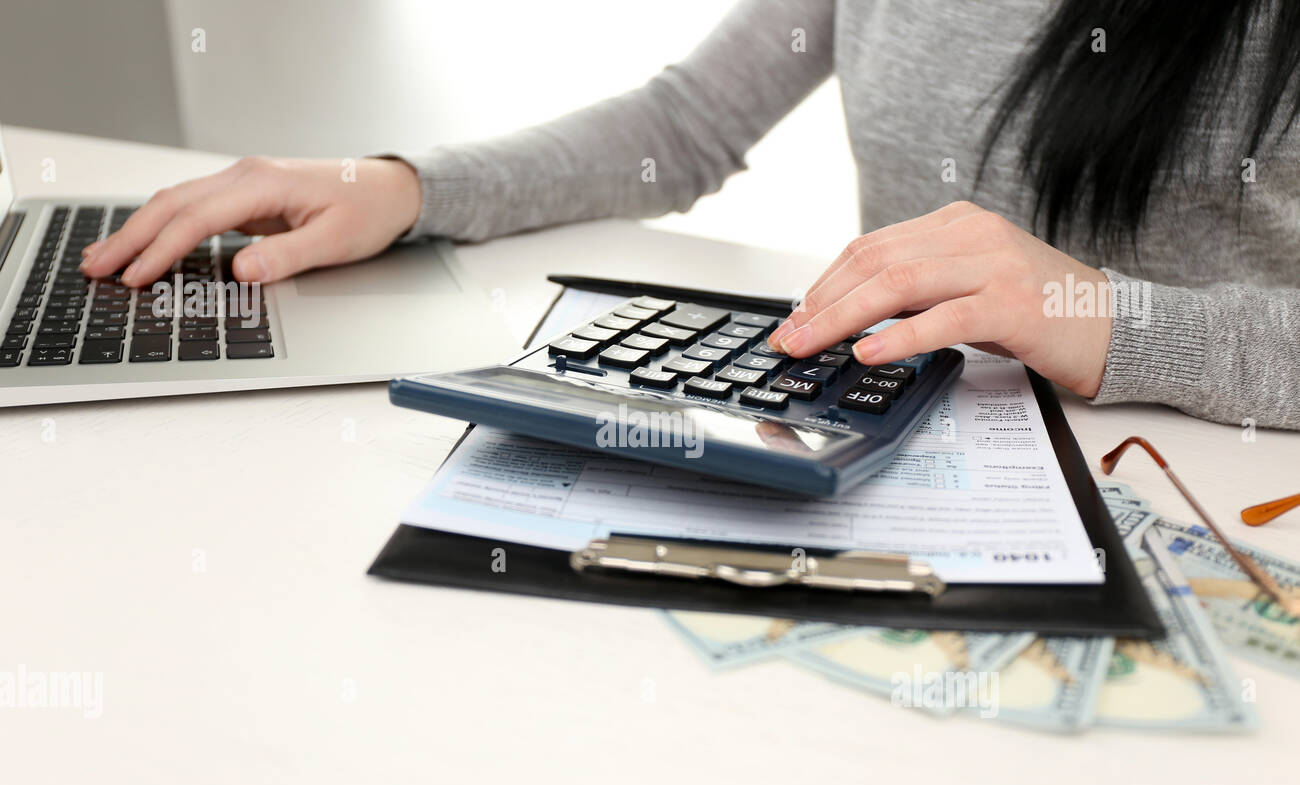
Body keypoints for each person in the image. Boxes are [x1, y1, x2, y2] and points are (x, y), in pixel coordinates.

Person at [80, 0, 1300, 429]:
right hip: (899, 444)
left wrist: (1108, 321)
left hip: (1196, 482)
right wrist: (403, 186)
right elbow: (687, 122)